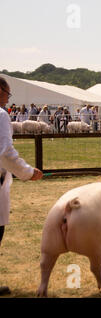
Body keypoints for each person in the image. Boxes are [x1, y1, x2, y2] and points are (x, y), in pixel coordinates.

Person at [0, 77, 43, 296]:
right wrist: (28, 173)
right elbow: (5, 152)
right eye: (8, 93)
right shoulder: (0, 115)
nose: (8, 99)